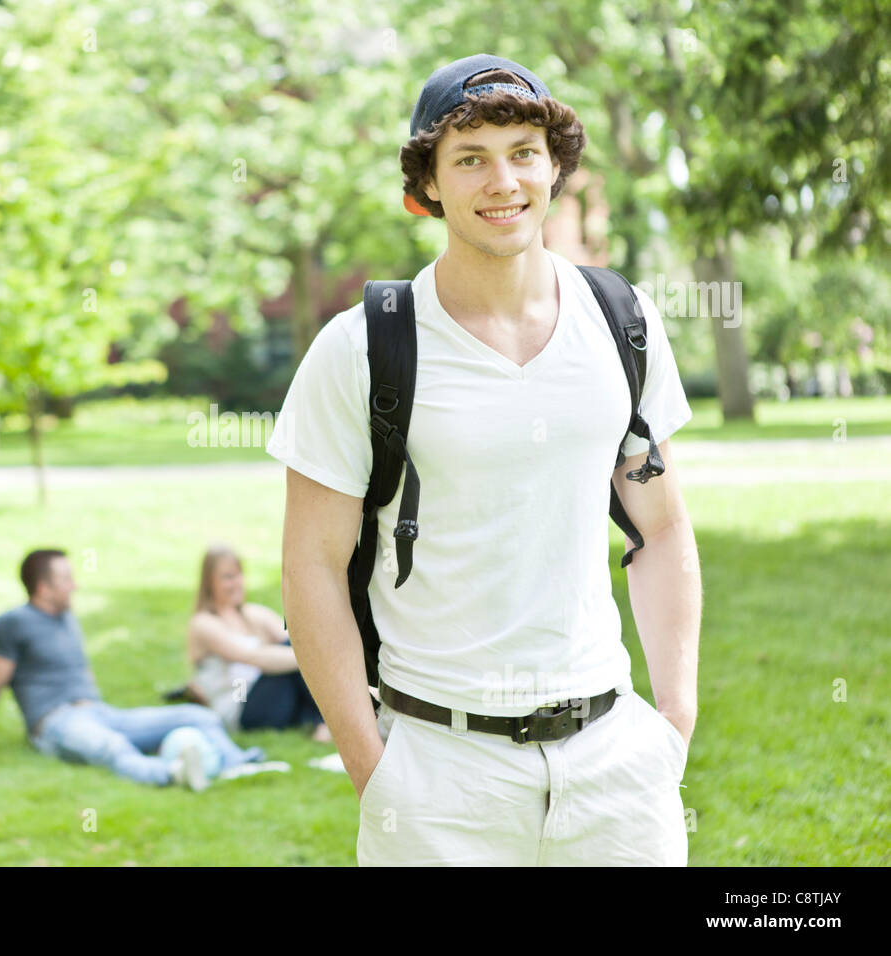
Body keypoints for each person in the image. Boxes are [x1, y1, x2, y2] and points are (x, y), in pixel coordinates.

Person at [268, 54, 700, 865]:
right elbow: (310, 569)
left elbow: (662, 527)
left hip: (616, 767)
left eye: (523, 151)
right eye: (470, 159)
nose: (503, 180)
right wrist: (375, 766)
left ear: (554, 165)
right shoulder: (362, 349)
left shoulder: (623, 320)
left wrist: (674, 716)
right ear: (427, 184)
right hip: (439, 775)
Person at [0, 548, 264, 790]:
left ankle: (238, 763)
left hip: (99, 713)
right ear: (43, 588)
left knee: (198, 716)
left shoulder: (66, 616)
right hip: (55, 722)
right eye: (66, 580)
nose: (75, 585)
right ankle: (172, 774)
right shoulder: (11, 624)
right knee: (112, 747)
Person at [187, 545, 332, 742]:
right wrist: (309, 658)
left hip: (272, 700)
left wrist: (313, 653)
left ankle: (327, 719)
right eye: (227, 577)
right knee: (297, 654)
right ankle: (324, 722)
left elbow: (300, 640)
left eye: (238, 575)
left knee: (298, 645)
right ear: (209, 583)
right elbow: (250, 657)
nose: (236, 583)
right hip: (241, 706)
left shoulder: (253, 614)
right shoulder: (204, 623)